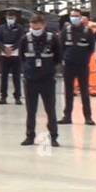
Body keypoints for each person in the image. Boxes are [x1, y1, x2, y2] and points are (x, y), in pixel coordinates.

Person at [17, 13, 61, 147]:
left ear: (43, 25)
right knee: (31, 110)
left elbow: (58, 57)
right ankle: (30, 136)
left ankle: (53, 137)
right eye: (33, 25)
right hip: (30, 80)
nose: (35, 27)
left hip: (47, 80)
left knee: (50, 109)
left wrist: (48, 69)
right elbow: (21, 57)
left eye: (38, 25)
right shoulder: (25, 39)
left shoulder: (52, 38)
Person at [59, 8, 96, 126]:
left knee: (84, 91)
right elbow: (61, 46)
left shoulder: (88, 31)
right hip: (69, 65)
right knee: (68, 91)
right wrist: (64, 59)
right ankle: (67, 116)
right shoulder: (66, 30)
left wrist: (85, 59)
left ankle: (88, 117)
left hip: (82, 65)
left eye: (76, 16)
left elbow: (91, 48)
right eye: (72, 16)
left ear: (81, 17)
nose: (74, 18)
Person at [0, 10, 25, 104]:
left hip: (15, 54)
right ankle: (3, 97)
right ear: (6, 18)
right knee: (3, 76)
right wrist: (4, 48)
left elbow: (21, 39)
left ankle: (17, 97)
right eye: (9, 18)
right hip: (4, 54)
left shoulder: (19, 28)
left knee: (16, 76)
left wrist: (13, 48)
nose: (10, 20)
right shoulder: (1, 28)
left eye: (12, 18)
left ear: (15, 18)